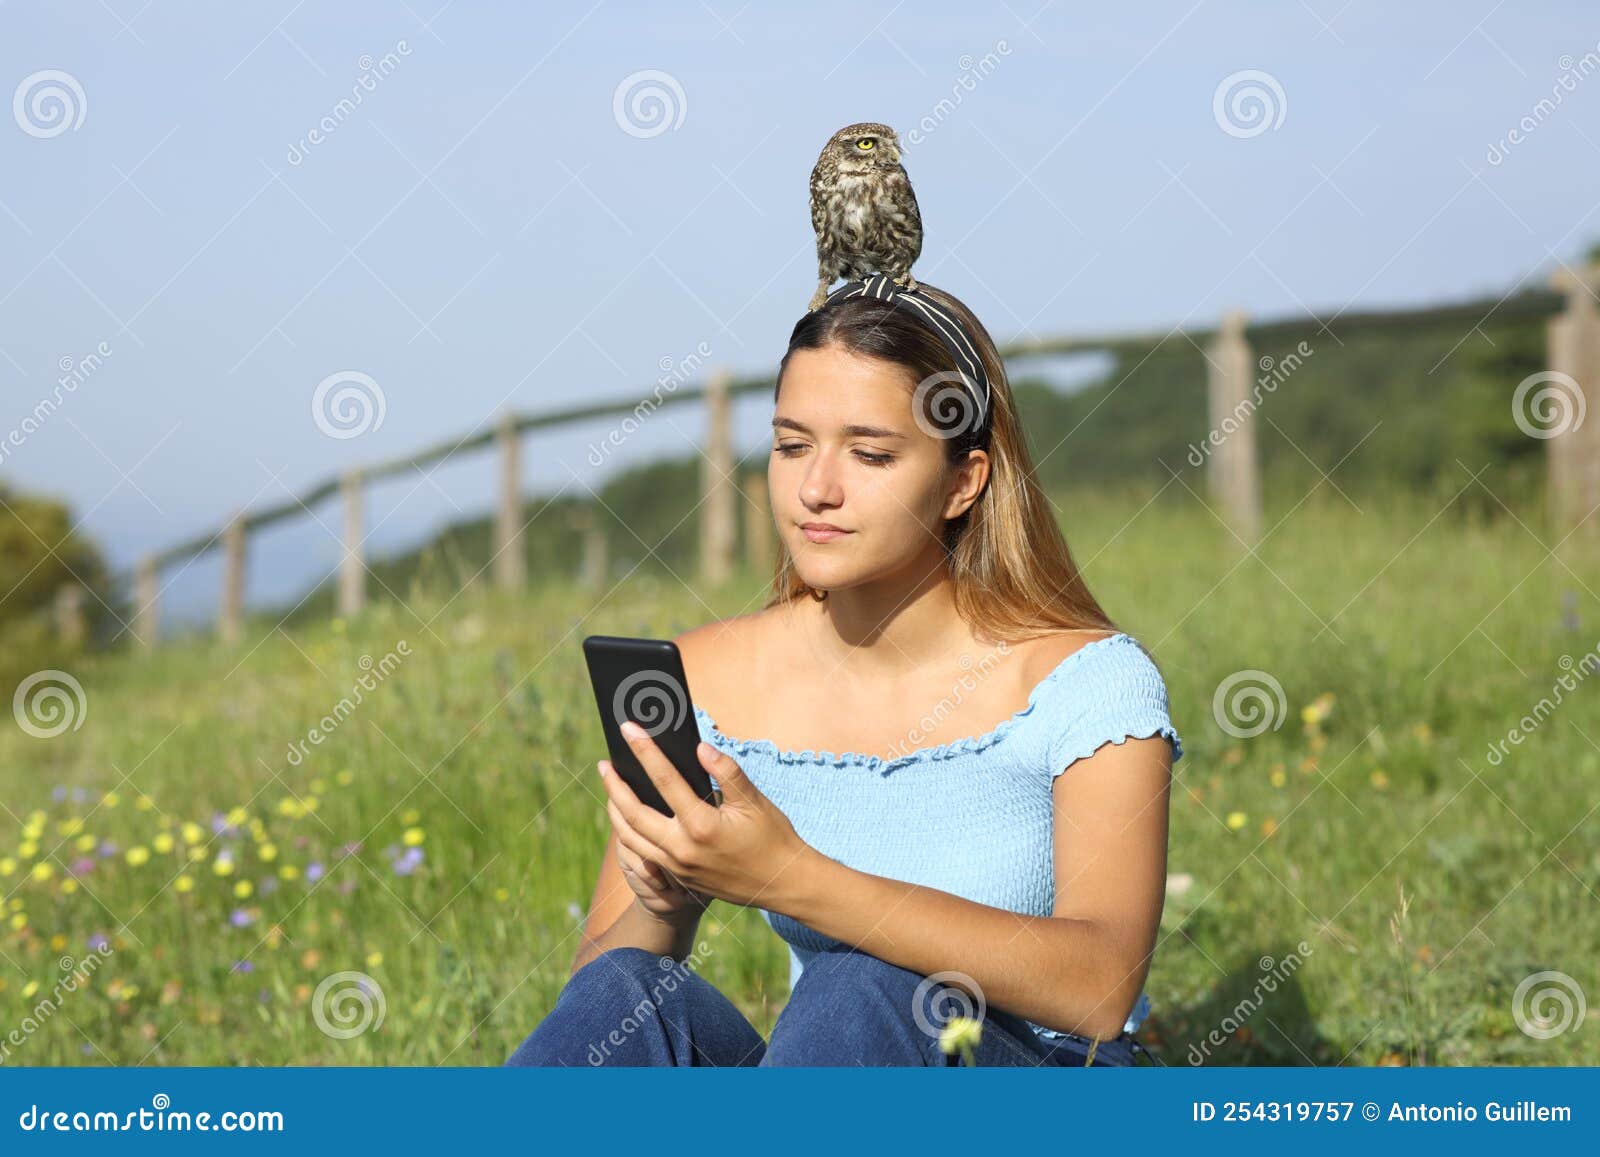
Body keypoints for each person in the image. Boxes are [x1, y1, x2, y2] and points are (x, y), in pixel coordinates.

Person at [505, 274, 1183, 1067]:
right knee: (627, 991)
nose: (815, 489)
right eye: (792, 445)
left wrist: (789, 875)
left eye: (870, 453)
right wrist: (666, 899)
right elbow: (600, 998)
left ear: (964, 480)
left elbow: (1100, 987)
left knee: (859, 986)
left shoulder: (1091, 683)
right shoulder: (703, 672)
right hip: (834, 1072)